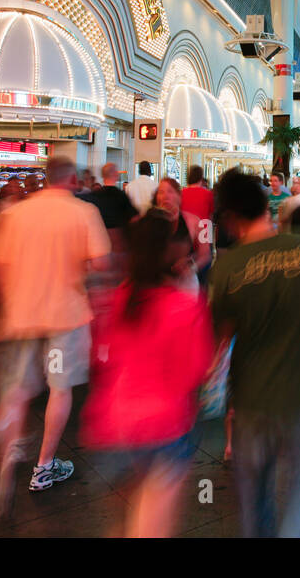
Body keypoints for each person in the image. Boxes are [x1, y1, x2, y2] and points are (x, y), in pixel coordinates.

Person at [209, 168, 300, 537]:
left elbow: (222, 338)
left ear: (231, 218)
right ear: (267, 206)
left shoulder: (227, 270)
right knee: (298, 493)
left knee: (253, 501)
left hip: (250, 401)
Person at [0, 157, 112, 522]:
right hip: (65, 317)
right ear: (72, 179)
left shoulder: (15, 214)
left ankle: (5, 471)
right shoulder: (82, 212)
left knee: (16, 392)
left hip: (21, 317)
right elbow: (101, 263)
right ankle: (44, 466)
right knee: (59, 388)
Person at [81, 210, 213, 536]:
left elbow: (99, 358)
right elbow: (195, 370)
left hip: (112, 424)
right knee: (153, 522)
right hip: (166, 426)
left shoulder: (117, 298)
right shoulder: (183, 306)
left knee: (130, 515)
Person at [152, 177, 210, 289]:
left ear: (179, 196)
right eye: (161, 192)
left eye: (170, 191)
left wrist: (191, 266)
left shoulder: (195, 221)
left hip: (185, 285)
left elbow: (205, 254)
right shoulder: (148, 222)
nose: (165, 196)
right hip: (157, 285)